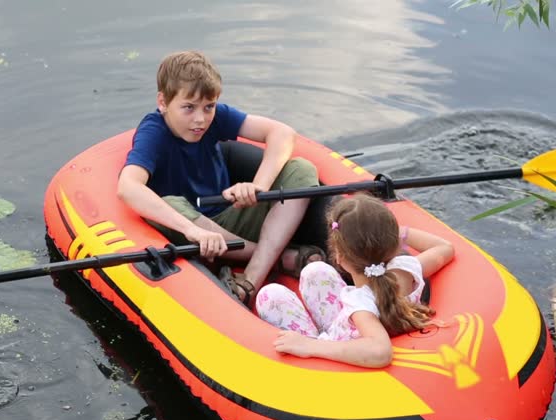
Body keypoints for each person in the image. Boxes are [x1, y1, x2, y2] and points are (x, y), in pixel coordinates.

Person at [117, 51, 324, 306]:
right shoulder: (154, 132)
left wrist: (258, 186)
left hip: (229, 217)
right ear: (163, 102)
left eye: (208, 107)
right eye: (188, 108)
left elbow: (282, 133)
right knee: (169, 202)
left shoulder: (215, 117)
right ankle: (283, 257)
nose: (200, 119)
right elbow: (128, 186)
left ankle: (251, 278)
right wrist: (193, 231)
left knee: (301, 169)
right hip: (191, 229)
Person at [254, 195, 456, 368]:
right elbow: (445, 248)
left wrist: (310, 346)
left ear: (340, 258)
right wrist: (400, 233)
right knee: (315, 271)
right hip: (354, 327)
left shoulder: (361, 304)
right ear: (394, 243)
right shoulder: (405, 269)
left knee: (269, 295)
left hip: (334, 346)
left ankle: (314, 335)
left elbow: (380, 352)